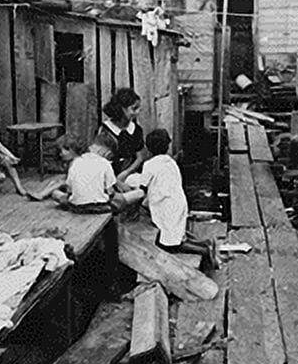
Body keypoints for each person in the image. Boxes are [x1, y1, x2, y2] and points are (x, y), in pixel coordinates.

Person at [134, 128, 219, 268]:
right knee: (176, 236)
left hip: (167, 207)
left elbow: (141, 190)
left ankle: (204, 250)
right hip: (178, 203)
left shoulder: (149, 165)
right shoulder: (171, 162)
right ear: (168, 146)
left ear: (147, 149)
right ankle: (205, 242)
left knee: (169, 245)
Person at [52, 133, 122, 214]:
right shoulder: (105, 163)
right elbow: (110, 191)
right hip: (100, 206)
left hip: (77, 207)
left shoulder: (75, 162)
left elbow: (69, 190)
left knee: (56, 194)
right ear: (107, 153)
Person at [99, 88, 145, 181]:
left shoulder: (136, 130)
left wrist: (126, 173)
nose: (137, 112)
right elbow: (100, 160)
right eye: (134, 109)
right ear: (121, 109)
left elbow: (139, 158)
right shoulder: (105, 131)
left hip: (130, 174)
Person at [30, 133, 86, 201]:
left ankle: (41, 194)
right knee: (54, 182)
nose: (60, 154)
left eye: (61, 151)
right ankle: (42, 193)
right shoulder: (80, 159)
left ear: (70, 150)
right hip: (76, 188)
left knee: (56, 191)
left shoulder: (75, 163)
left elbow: (70, 183)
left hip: (77, 192)